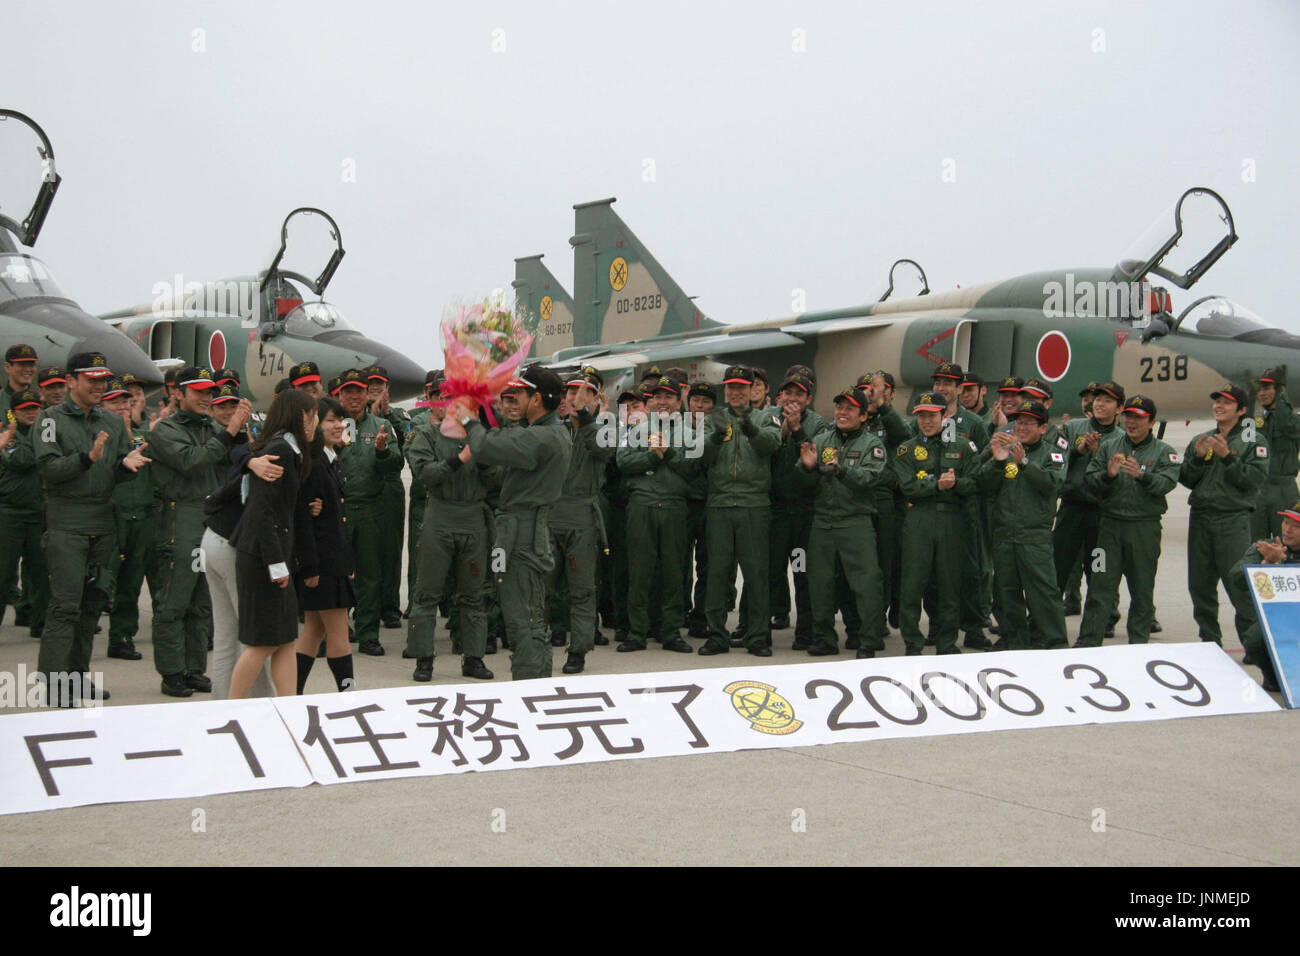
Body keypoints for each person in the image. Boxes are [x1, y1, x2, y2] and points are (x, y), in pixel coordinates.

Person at [33, 352, 150, 705]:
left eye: (103, 380)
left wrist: (125, 467)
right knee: (65, 606)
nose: (99, 386)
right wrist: (87, 458)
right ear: (72, 382)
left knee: (92, 604)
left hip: (103, 520)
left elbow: (110, 471)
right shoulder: (49, 420)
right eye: (92, 380)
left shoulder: (113, 424)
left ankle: (78, 678)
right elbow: (49, 470)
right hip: (67, 521)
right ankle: (54, 684)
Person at [457, 364, 571, 679]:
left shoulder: (544, 436)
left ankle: (530, 686)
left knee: (526, 619)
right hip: (518, 530)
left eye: (520, 392)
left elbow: (489, 446)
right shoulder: (543, 432)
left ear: (538, 399)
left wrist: (467, 418)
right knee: (521, 615)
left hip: (523, 533)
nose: (514, 398)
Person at [148, 367, 253, 697]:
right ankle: (171, 671)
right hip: (182, 516)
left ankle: (194, 668)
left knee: (202, 603)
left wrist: (240, 434)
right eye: (199, 392)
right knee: (175, 600)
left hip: (214, 515)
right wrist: (230, 430)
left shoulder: (213, 427)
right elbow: (192, 462)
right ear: (178, 393)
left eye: (210, 392)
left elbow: (235, 462)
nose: (207, 398)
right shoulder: (164, 430)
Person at [228, 390, 316, 698]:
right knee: (263, 641)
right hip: (262, 558)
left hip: (274, 554)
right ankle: (230, 709)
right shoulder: (279, 450)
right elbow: (263, 513)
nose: (315, 422)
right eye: (312, 415)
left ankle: (289, 704)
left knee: (286, 638)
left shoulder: (289, 449)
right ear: (299, 416)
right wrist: (277, 565)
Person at [1073, 395, 1180, 647]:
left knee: (1142, 588)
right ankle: (1089, 640)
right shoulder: (1110, 445)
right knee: (1099, 585)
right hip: (1108, 529)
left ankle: (1139, 642)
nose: (1132, 422)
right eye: (1129, 416)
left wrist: (1143, 476)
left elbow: (1167, 483)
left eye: (1139, 418)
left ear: (1151, 422)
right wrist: (1108, 476)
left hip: (1144, 529)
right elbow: (1089, 480)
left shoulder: (1165, 452)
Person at [798, 386, 887, 658]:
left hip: (855, 521)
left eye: (849, 408)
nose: (842, 412)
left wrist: (842, 470)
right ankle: (824, 638)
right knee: (820, 583)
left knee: (866, 583)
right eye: (839, 407)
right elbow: (801, 482)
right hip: (823, 521)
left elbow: (870, 479)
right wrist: (807, 467)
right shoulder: (822, 439)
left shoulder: (872, 444)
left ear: (863, 416)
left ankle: (868, 639)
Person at [699, 365, 781, 656]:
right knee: (717, 573)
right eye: (731, 387)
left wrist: (750, 427)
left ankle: (758, 635)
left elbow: (772, 444)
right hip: (720, 503)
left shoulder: (766, 416)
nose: (735, 392)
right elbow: (703, 458)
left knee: (757, 573)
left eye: (741, 387)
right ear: (725, 389)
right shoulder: (713, 418)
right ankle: (716, 635)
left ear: (751, 389)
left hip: (753, 504)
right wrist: (715, 437)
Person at [1180, 384, 1270, 646]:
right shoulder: (1203, 439)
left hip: (1232, 521)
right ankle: (1209, 640)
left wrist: (1228, 457)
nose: (1219, 406)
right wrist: (1197, 458)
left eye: (1227, 403)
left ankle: (1254, 644)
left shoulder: (1254, 440)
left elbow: (1252, 480)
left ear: (1241, 410)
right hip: (1201, 518)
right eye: (1217, 401)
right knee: (1199, 585)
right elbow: (1186, 478)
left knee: (1238, 586)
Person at [616, 376, 699, 655]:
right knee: (640, 570)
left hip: (674, 506)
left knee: (673, 572)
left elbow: (694, 468)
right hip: (643, 505)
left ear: (678, 402)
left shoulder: (690, 431)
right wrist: (652, 456)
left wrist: (669, 453)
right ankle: (637, 631)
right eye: (657, 397)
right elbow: (623, 461)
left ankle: (671, 631)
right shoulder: (638, 428)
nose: (662, 402)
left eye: (669, 397)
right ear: (649, 402)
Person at [978, 399, 1068, 651]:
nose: (1022, 427)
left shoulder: (1053, 453)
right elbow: (983, 484)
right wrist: (997, 461)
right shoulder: (1005, 450)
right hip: (1004, 533)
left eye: (1029, 423)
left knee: (1044, 592)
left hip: (1034, 535)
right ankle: (1014, 640)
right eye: (1019, 422)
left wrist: (1025, 463)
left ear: (1043, 428)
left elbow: (1053, 484)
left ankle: (1055, 642)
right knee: (1006, 592)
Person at [893, 391, 978, 655]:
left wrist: (956, 484)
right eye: (921, 416)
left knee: (949, 582)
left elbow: (975, 483)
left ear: (945, 415)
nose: (926, 421)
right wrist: (936, 485)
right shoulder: (906, 449)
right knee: (912, 582)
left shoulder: (962, 447)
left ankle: (947, 641)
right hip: (919, 517)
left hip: (951, 519)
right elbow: (907, 486)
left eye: (932, 415)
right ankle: (912, 641)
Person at [548, 371, 614, 673]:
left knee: (582, 588)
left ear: (594, 398)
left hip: (582, 518)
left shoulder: (602, 429)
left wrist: (587, 421)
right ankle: (541, 639)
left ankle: (579, 650)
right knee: (543, 585)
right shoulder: (555, 429)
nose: (575, 398)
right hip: (551, 515)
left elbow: (605, 451)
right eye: (570, 391)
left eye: (583, 392)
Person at [293, 397, 358, 693]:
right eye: (330, 419)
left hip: (331, 561)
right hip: (323, 564)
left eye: (340, 419)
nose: (338, 425)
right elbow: (305, 520)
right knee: (338, 631)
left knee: (314, 630)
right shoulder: (315, 463)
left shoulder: (331, 459)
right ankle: (348, 693)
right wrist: (311, 566)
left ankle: (291, 692)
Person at [336, 369, 402, 656]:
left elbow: (397, 464)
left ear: (366, 394)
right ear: (339, 395)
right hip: (339, 510)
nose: (354, 396)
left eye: (359, 390)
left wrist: (383, 450)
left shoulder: (381, 424)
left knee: (370, 576)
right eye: (348, 391)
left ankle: (368, 634)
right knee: (336, 576)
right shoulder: (332, 424)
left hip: (371, 509)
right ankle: (334, 632)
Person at [1054, 380, 1123, 618]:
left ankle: (1105, 617)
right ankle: (1046, 618)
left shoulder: (1122, 438)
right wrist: (1078, 451)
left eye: (1108, 400)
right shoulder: (1072, 428)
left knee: (1099, 568)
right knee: (1059, 565)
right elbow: (1055, 459)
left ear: (1119, 408)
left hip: (1101, 513)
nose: (1100, 404)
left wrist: (1099, 456)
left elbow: (1122, 479)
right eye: (1098, 399)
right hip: (1072, 509)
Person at [769, 371, 826, 648]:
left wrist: (797, 430)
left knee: (802, 572)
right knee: (770, 572)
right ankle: (760, 631)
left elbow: (814, 457)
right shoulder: (768, 417)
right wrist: (782, 431)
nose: (793, 399)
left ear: (808, 398)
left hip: (804, 515)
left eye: (799, 394)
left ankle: (805, 632)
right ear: (780, 396)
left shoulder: (817, 424)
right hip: (776, 515)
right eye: (788, 393)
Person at [1226, 502, 1300, 693]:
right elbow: (1236, 578)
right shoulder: (1267, 547)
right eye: (1285, 522)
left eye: (1296, 526)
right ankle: (1274, 679)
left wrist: (1284, 563)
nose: (1288, 530)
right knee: (1255, 639)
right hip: (1283, 617)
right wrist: (1265, 564)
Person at [0, 389, 49, 638]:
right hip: (10, 513)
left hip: (38, 512)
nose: (31, 413)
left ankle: (40, 623)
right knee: (4, 574)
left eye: (35, 408)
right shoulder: (7, 435)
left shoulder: (43, 432)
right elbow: (20, 460)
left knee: (42, 572)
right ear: (14, 412)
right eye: (25, 409)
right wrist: (40, 448)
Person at [365, 364, 410, 630]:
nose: (374, 389)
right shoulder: (351, 418)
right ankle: (365, 606)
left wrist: (387, 414)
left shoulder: (397, 415)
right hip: (363, 487)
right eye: (370, 385)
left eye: (379, 385)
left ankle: (390, 607)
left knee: (391, 551)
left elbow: (409, 440)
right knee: (365, 553)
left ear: (387, 388)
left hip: (390, 487)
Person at [1252, 368, 1300, 540]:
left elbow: (1287, 424)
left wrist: (1281, 399)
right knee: (1256, 544)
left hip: (1284, 489)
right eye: (1260, 389)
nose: (1262, 393)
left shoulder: (1293, 420)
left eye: (1267, 388)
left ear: (1279, 390)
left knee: (1288, 542)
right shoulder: (1254, 421)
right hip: (1259, 489)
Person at [1, 343, 39, 421]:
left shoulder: (40, 401)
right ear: (7, 367)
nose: (28, 369)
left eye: (31, 365)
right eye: (22, 364)